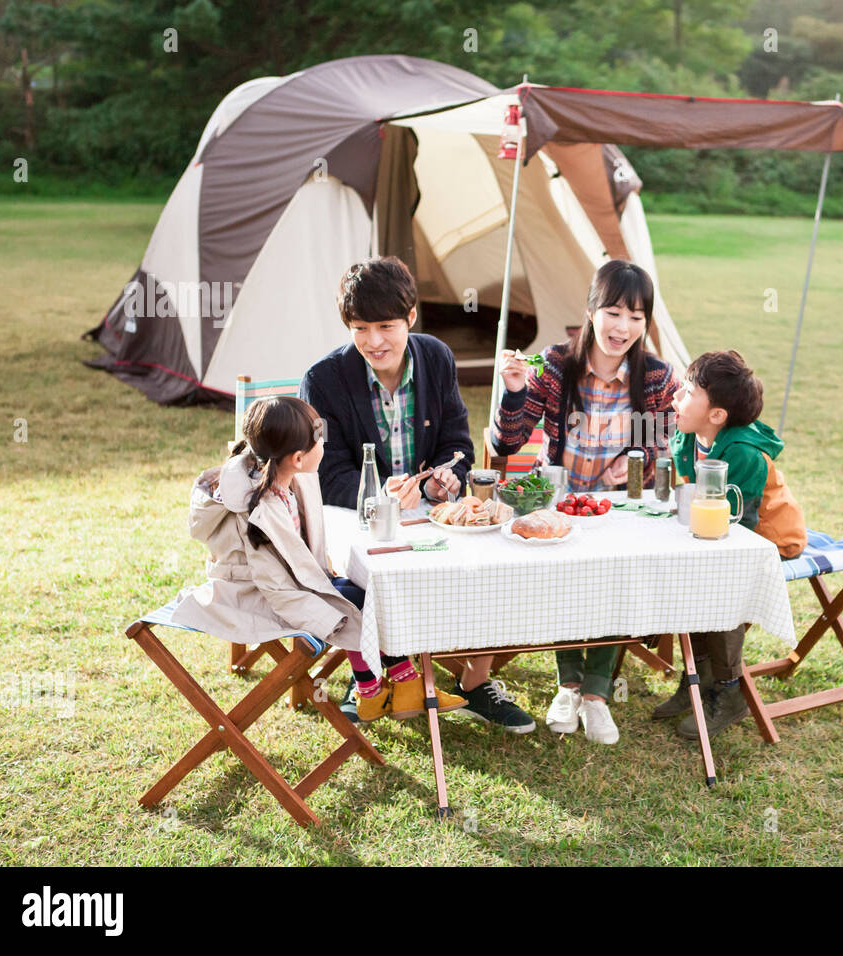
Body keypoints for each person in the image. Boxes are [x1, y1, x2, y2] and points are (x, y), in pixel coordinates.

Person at [301, 256, 536, 733]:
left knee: (495, 560)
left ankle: (474, 682)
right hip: (357, 518)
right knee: (373, 571)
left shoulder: (435, 356)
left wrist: (445, 478)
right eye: (360, 328)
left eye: (386, 325)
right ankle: (370, 673)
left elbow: (457, 444)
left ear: (410, 317)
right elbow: (323, 474)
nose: (374, 341)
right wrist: (378, 493)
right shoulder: (323, 379)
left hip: (433, 515)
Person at [171, 395, 466, 721]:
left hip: (295, 580)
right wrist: (329, 614)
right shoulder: (257, 509)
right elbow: (275, 589)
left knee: (366, 594)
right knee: (354, 604)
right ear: (298, 457)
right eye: (321, 442)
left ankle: (393, 687)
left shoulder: (287, 479)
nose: (325, 447)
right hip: (255, 596)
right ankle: (379, 690)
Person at [494, 259, 678, 745]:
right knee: (565, 583)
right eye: (614, 312)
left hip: (620, 508)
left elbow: (667, 443)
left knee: (613, 584)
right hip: (562, 505)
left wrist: (637, 458)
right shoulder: (555, 366)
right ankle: (567, 685)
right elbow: (508, 441)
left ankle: (595, 694)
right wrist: (513, 392)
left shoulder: (656, 377)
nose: (623, 327)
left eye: (637, 317)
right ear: (592, 310)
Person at [652, 349, 806, 739]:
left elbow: (744, 526)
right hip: (715, 533)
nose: (676, 395)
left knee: (721, 587)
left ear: (717, 415)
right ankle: (697, 682)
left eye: (687, 392)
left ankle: (728, 689)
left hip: (769, 539)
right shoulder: (687, 438)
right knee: (690, 578)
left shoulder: (742, 454)